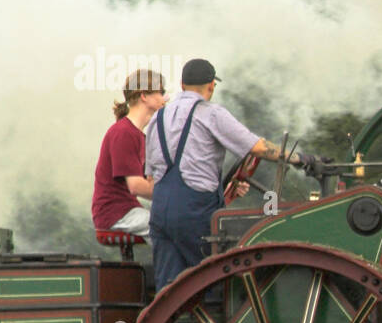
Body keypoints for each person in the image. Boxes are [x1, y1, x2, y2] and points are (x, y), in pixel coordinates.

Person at [146, 58, 309, 289]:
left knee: (170, 291)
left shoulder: (157, 118)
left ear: (182, 85)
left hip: (160, 211)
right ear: (212, 85)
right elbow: (259, 148)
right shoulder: (211, 114)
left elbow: (151, 174)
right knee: (214, 281)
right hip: (194, 212)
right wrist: (300, 159)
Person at [92, 69, 167, 237]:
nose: (164, 99)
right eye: (160, 92)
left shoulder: (139, 135)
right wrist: (174, 196)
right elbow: (136, 186)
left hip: (126, 210)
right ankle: (172, 264)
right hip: (115, 214)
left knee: (174, 222)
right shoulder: (124, 133)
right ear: (144, 96)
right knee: (167, 228)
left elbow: (150, 181)